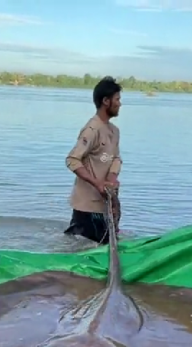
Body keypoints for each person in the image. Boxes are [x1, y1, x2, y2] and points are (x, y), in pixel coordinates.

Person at [64, 76, 123, 245]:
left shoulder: (114, 131)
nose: (120, 104)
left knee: (108, 244)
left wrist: (111, 178)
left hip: (105, 206)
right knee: (84, 250)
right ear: (106, 101)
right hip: (87, 208)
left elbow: (116, 158)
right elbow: (72, 160)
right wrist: (97, 183)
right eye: (117, 99)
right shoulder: (92, 129)